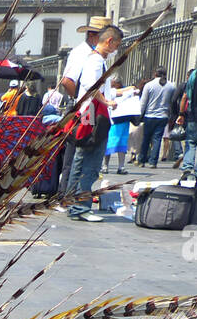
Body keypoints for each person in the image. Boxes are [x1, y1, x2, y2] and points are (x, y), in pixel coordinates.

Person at [66, 24, 123, 222]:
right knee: (90, 162)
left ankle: (73, 203)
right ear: (109, 41)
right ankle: (80, 206)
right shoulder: (96, 61)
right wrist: (107, 101)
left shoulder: (93, 59)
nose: (116, 49)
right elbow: (92, 87)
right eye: (116, 45)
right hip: (93, 114)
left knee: (80, 160)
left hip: (88, 113)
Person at [57, 15, 110, 194]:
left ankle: (70, 195)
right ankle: (67, 195)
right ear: (96, 36)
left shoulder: (95, 54)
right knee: (77, 156)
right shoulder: (83, 53)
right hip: (87, 110)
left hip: (91, 108)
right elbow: (67, 81)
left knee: (80, 155)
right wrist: (81, 102)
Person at [138, 67, 176, 168]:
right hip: (163, 116)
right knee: (157, 139)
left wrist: (139, 115)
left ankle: (142, 160)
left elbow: (143, 102)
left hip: (149, 115)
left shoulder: (149, 85)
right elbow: (172, 102)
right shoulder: (171, 86)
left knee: (146, 138)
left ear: (155, 74)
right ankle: (153, 162)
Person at [105, 77, 138, 174]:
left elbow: (128, 90)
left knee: (122, 145)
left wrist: (132, 90)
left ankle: (121, 167)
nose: (111, 85)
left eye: (113, 84)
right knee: (108, 144)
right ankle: (105, 166)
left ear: (117, 84)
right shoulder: (110, 92)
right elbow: (119, 92)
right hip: (113, 122)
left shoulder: (125, 92)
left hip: (123, 121)